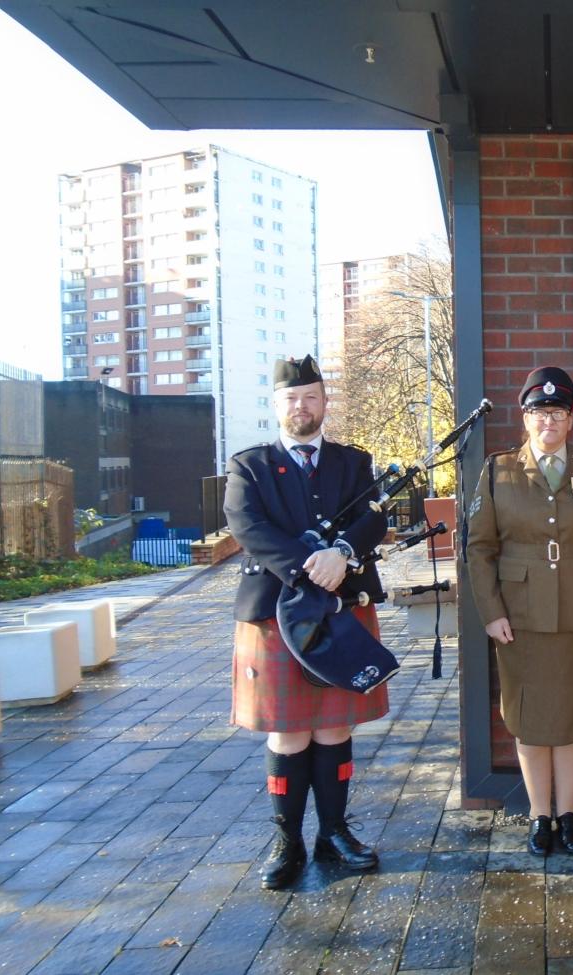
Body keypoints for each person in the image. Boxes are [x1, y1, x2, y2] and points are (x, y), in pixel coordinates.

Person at [224, 354, 390, 889]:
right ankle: (288, 840)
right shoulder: (249, 466)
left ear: (325, 402)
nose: (302, 406)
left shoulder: (351, 462)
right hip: (277, 613)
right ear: (277, 405)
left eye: (312, 396)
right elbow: (247, 524)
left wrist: (342, 552)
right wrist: (308, 566)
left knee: (335, 726)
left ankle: (334, 832)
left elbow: (373, 516)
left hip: (342, 607)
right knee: (289, 733)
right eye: (292, 399)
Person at [466, 366, 573, 856]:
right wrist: (491, 612)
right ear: (525, 418)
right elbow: (479, 550)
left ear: (570, 418)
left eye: (557, 413)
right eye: (540, 413)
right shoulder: (499, 471)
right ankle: (540, 813)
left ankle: (569, 811)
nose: (548, 422)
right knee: (530, 716)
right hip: (520, 618)